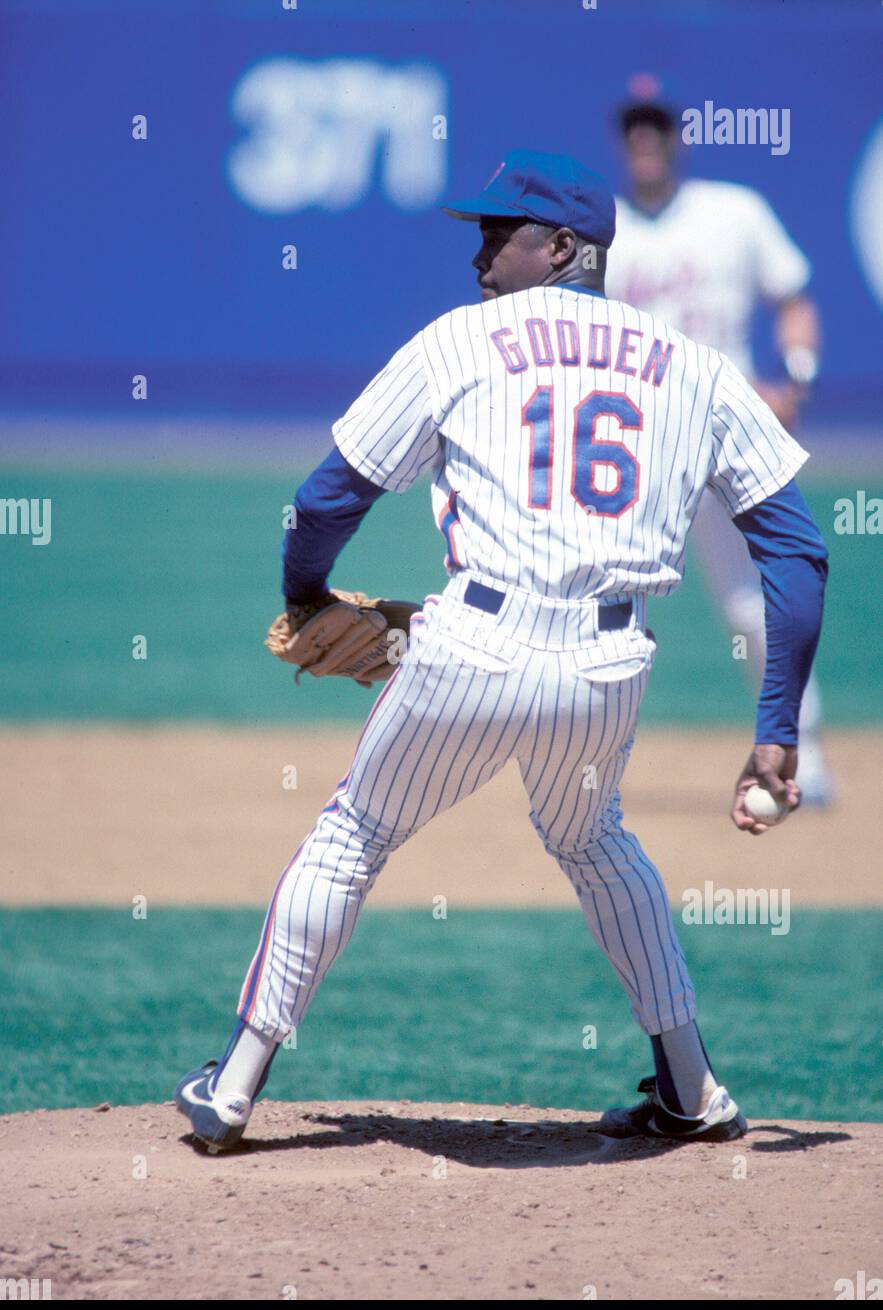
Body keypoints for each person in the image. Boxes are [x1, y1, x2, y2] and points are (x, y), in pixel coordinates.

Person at [175, 150, 827, 1152]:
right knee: (597, 841)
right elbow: (795, 546)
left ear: (564, 248)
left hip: (473, 645)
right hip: (608, 669)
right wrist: (776, 729)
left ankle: (233, 1083)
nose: (479, 254)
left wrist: (304, 593)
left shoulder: (458, 343)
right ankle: (692, 1090)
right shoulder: (691, 364)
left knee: (354, 834)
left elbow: (326, 497)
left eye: (499, 234)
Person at [606, 74, 834, 804]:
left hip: (725, 432)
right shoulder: (601, 227)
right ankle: (573, 757)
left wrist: (793, 379)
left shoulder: (732, 213)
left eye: (657, 125)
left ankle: (800, 750)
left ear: (674, 136)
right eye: (634, 127)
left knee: (752, 601)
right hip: (635, 442)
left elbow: (792, 296)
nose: (646, 139)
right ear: (624, 139)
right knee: (599, 596)